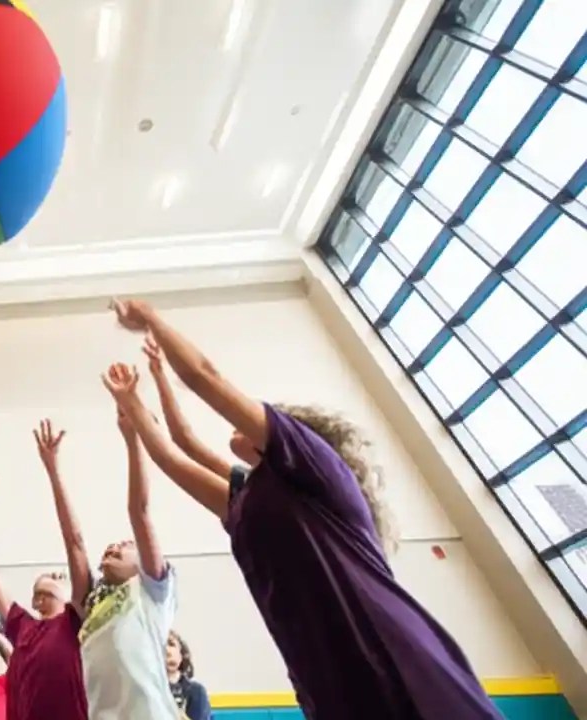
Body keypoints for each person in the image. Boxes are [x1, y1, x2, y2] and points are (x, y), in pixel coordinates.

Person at [109, 298, 502, 719]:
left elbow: (206, 377)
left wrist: (151, 319)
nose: (236, 424)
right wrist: (133, 402)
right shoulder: (247, 504)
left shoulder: (320, 471)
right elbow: (174, 454)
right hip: (327, 684)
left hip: (392, 656)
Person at [0, 419, 90, 720]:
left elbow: (75, 543)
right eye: (51, 575)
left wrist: (53, 470)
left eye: (60, 576)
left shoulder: (76, 621)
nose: (58, 575)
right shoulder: (22, 627)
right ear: (35, 598)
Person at [78, 380, 181, 720]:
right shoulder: (95, 606)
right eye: (112, 545)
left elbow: (139, 511)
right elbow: (75, 543)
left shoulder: (150, 592)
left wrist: (133, 437)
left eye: (126, 544)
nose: (114, 546)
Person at [166, 632, 210, 720]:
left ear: (181, 655)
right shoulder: (144, 690)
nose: (168, 651)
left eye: (171, 644)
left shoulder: (196, 691)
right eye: (161, 644)